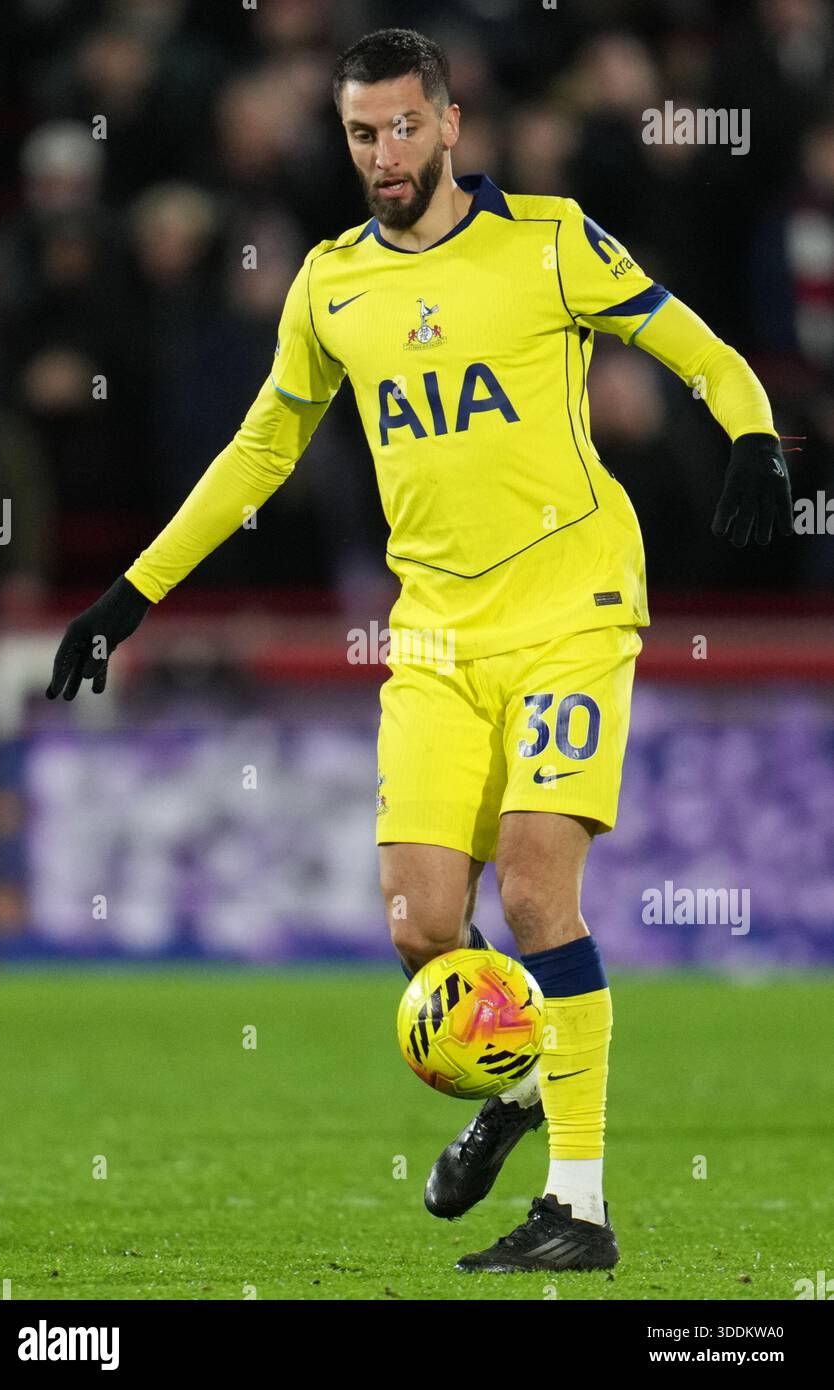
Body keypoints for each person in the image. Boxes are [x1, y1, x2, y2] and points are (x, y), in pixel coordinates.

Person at [46, 28, 793, 1274]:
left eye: (402, 127)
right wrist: (129, 593)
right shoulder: (328, 287)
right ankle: (515, 1088)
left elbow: (692, 345)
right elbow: (258, 453)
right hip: (435, 636)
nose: (382, 154)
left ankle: (581, 1207)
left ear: (449, 126)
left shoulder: (549, 240)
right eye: (358, 133)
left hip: (570, 606)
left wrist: (754, 435)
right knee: (418, 925)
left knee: (536, 886)